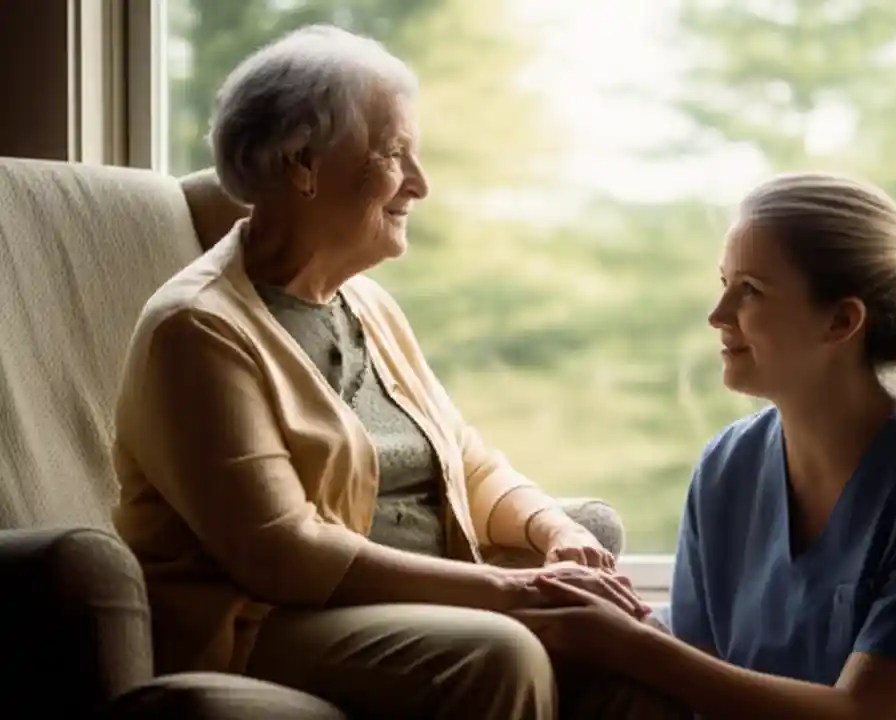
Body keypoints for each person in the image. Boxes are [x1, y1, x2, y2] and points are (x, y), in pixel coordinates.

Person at [112, 25, 683, 720]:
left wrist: (550, 532)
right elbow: (283, 555)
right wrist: (514, 592)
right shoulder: (197, 330)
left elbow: (466, 463)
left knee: (639, 645)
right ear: (302, 163)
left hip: (397, 600)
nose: (420, 183)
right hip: (264, 621)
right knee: (502, 651)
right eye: (394, 155)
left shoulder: (365, 302)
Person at [513, 172, 896, 719]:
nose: (718, 315)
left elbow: (866, 714)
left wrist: (629, 644)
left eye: (750, 290)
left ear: (842, 320)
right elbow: (700, 673)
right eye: (723, 283)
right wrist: (620, 617)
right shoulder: (726, 468)